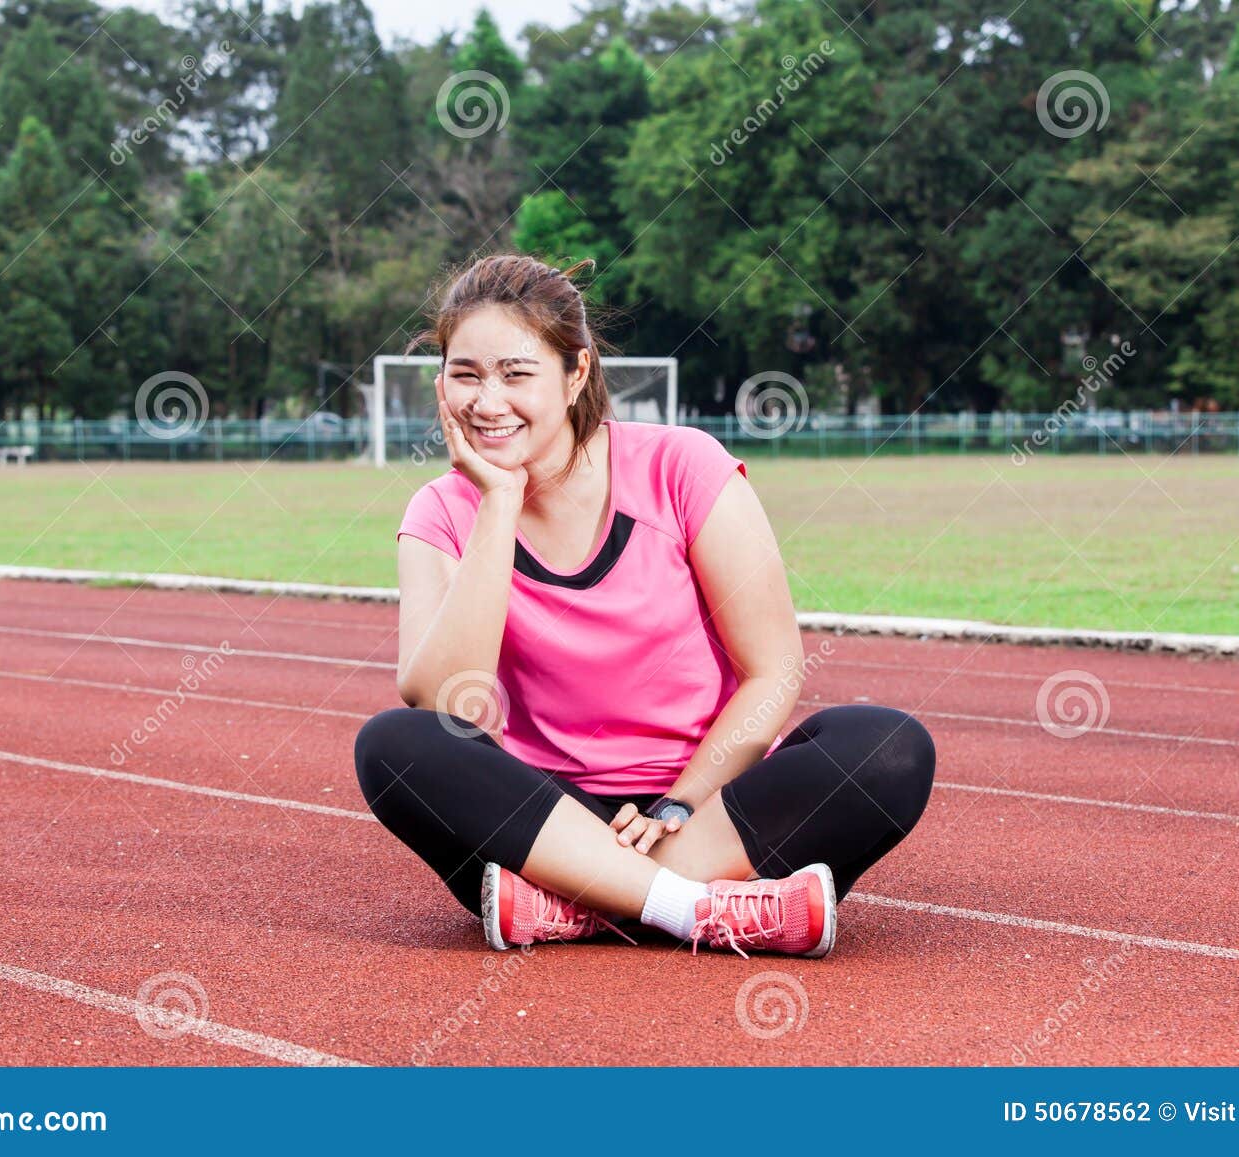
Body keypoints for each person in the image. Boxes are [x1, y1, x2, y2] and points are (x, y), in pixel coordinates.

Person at [353, 254, 936, 957]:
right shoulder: (440, 511)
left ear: (576, 373)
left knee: (890, 748)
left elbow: (773, 667)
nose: (487, 400)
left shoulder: (683, 466)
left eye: (516, 373)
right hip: (542, 822)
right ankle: (695, 908)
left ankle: (582, 906)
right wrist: (498, 503)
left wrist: (680, 803)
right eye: (466, 374)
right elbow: (451, 702)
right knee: (395, 745)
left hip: (704, 809)